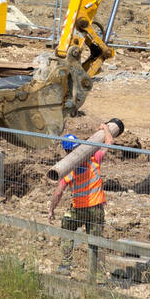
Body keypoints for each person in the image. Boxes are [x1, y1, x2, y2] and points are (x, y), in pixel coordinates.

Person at [49, 118, 124, 275]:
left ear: (66, 152)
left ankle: (65, 265)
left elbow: (58, 193)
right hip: (96, 209)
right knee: (96, 242)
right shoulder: (94, 159)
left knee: (67, 229)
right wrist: (105, 128)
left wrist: (51, 210)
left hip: (78, 210)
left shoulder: (67, 169)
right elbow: (110, 142)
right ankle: (100, 277)